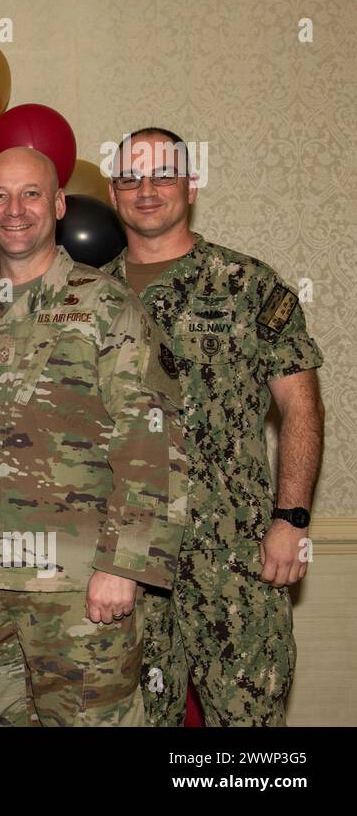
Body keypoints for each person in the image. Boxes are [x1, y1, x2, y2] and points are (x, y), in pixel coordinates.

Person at [0, 146, 188, 726]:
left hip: (81, 588)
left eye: (30, 194)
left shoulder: (107, 305)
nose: (14, 209)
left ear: (59, 204)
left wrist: (124, 565)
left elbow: (151, 441)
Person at [102, 128, 324, 726]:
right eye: (131, 178)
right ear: (114, 191)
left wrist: (292, 519)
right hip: (127, 560)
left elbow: (301, 407)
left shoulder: (247, 284)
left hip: (238, 555)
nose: (146, 190)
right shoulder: (90, 295)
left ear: (191, 185)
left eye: (164, 176)